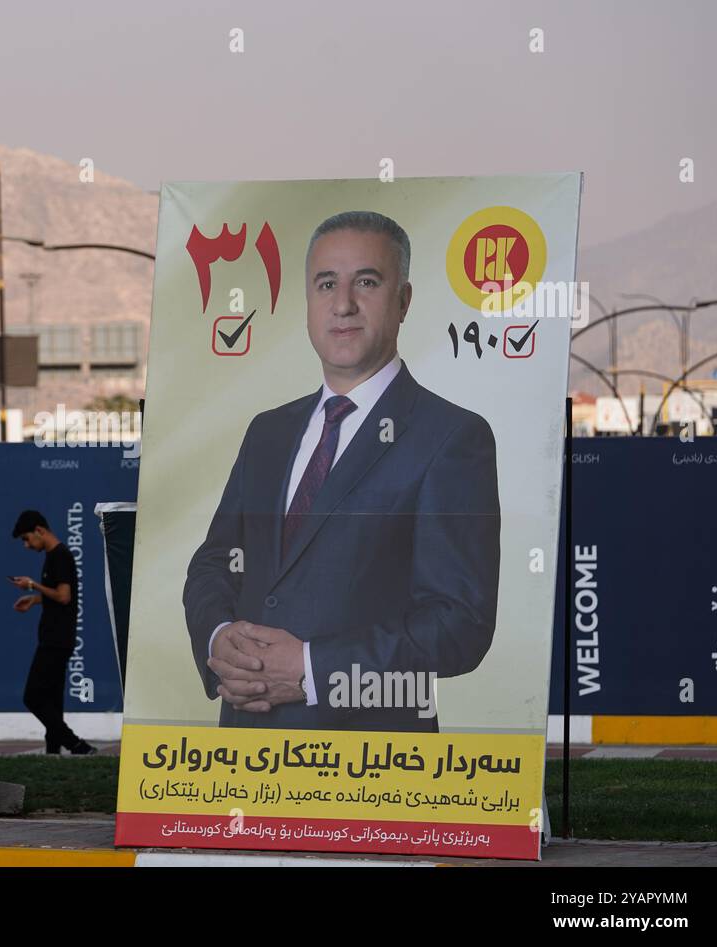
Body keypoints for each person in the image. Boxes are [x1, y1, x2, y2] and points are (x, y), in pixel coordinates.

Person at [183, 211, 501, 733]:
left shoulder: (450, 437)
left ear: (404, 301)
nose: (344, 304)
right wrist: (219, 638)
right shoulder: (267, 432)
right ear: (307, 303)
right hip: (243, 752)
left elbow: (459, 624)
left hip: (369, 762)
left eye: (367, 283)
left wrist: (312, 669)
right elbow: (214, 563)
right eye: (326, 283)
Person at [10, 510, 98, 755]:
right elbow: (58, 595)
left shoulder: (60, 555)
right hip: (56, 637)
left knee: (33, 697)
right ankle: (53, 750)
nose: (27, 546)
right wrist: (35, 599)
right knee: (51, 698)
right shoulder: (53, 556)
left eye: (27, 539)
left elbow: (63, 596)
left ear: (40, 531)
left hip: (56, 639)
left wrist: (32, 585)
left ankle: (75, 744)